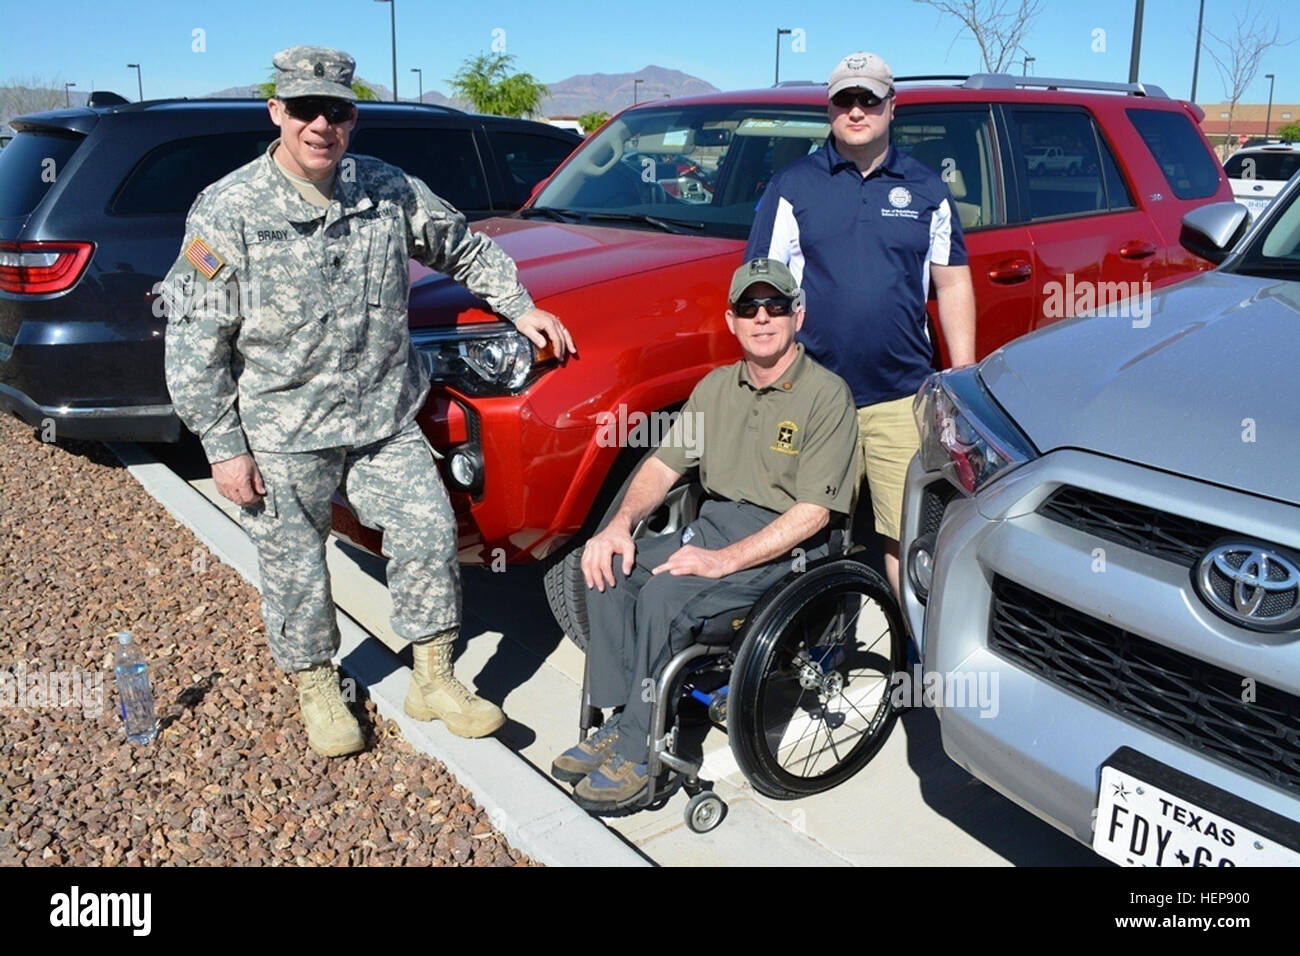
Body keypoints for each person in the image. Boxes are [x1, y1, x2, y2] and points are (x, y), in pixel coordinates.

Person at [162, 46, 574, 757]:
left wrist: (520, 306)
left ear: (353, 119)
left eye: (338, 110)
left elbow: (464, 249)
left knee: (428, 535)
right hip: (285, 429)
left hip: (382, 418)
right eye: (304, 109)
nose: (321, 124)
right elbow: (195, 337)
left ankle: (433, 674)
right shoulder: (229, 208)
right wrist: (223, 446)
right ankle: (319, 683)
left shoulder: (387, 189)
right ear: (277, 113)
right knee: (296, 566)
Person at [551, 257, 858, 814]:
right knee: (604, 570)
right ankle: (623, 721)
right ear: (732, 320)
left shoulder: (826, 395)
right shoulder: (716, 388)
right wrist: (617, 527)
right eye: (748, 307)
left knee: (668, 595)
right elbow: (661, 468)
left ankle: (643, 752)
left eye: (776, 306)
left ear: (798, 314)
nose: (762, 317)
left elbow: (814, 512)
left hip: (782, 547)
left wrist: (721, 562)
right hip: (713, 524)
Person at [745, 51, 976, 599]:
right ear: (828, 109)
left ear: (891, 106)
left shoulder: (926, 189)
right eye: (844, 99)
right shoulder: (792, 186)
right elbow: (760, 290)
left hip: (901, 397)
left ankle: (918, 664)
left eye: (868, 99)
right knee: (803, 535)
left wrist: (962, 377)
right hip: (814, 398)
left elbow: (953, 284)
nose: (856, 110)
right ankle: (808, 656)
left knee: (908, 542)